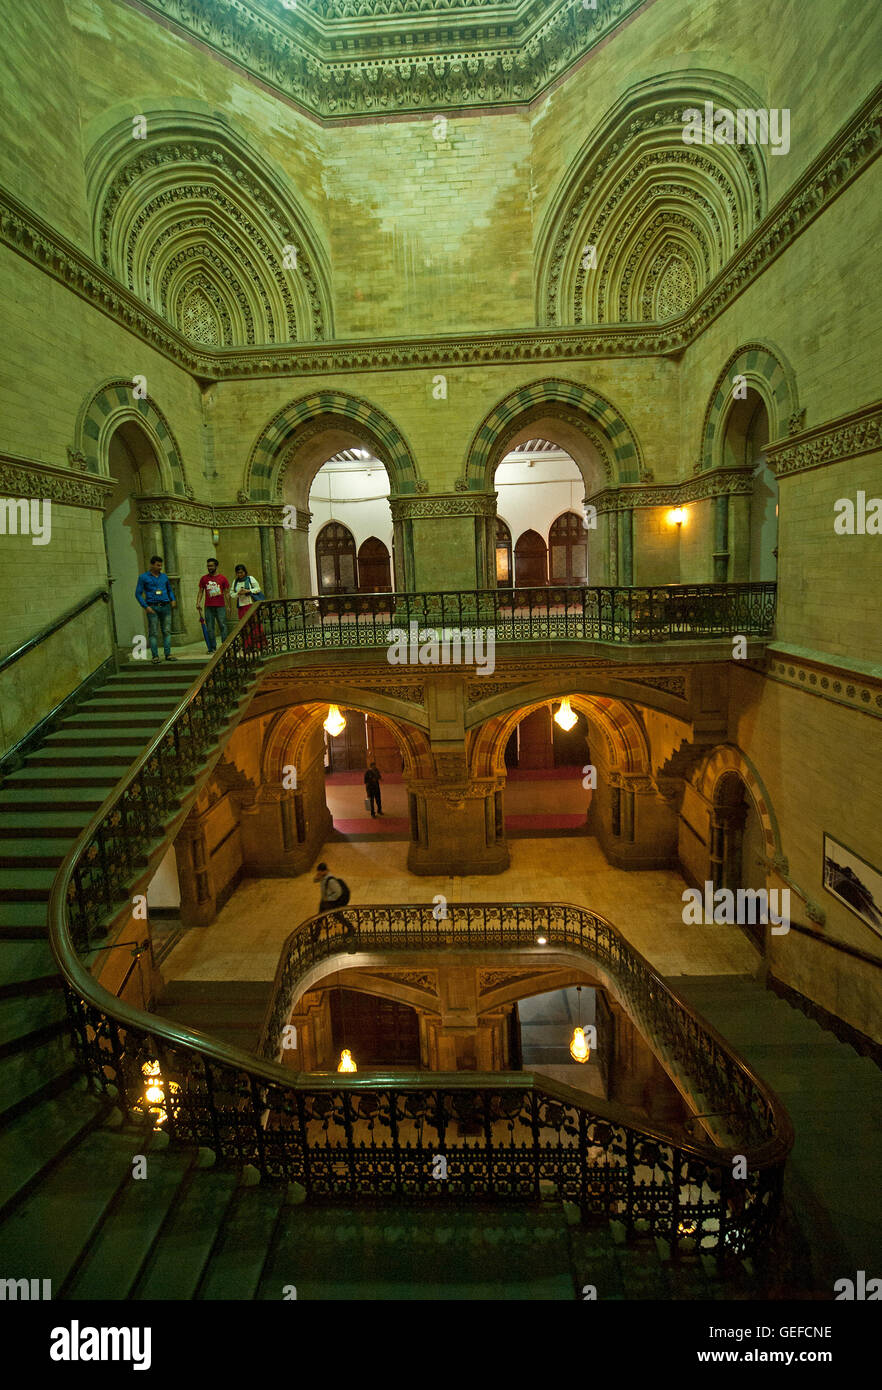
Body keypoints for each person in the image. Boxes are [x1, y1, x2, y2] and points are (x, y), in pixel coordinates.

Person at [135, 555, 177, 663]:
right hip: (152, 607)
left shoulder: (164, 577)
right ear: (152, 565)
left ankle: (168, 654)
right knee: (153, 632)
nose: (160, 567)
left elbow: (169, 590)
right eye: (158, 565)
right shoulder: (143, 577)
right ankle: (155, 656)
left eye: (161, 565)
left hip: (166, 606)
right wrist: (145, 606)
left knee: (167, 631)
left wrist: (173, 599)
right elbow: (138, 594)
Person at [311, 862, 356, 951]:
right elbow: (315, 880)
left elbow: (338, 892)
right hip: (324, 902)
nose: (319, 873)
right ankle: (315, 937)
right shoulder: (323, 877)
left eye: (320, 872)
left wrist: (329, 898)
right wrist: (318, 876)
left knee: (337, 916)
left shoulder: (331, 880)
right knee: (320, 918)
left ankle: (351, 928)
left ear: (325, 871)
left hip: (329, 903)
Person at [196, 557, 230, 653]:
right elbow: (200, 592)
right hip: (208, 607)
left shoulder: (222, 578)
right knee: (210, 627)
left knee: (223, 625)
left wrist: (228, 606)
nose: (209, 567)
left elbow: (227, 593)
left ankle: (224, 647)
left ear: (216, 566)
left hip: (220, 606)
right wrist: (198, 602)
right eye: (208, 566)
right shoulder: (204, 578)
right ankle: (212, 648)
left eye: (211, 566)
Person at [231, 563, 266, 653]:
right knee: (244, 626)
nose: (240, 574)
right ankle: (247, 646)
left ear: (245, 572)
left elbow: (258, 589)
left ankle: (258, 645)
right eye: (238, 573)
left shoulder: (250, 579)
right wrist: (237, 593)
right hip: (241, 607)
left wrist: (248, 591)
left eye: (241, 572)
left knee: (255, 625)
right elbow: (231, 594)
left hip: (251, 605)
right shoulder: (235, 582)